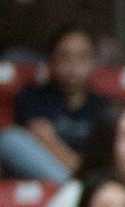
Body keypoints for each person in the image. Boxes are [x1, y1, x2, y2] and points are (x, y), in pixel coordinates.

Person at [1, 26, 105, 181]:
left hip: (92, 176)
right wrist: (82, 174)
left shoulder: (103, 105)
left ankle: (76, 190)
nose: (73, 66)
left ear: (93, 62)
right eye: (65, 57)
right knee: (10, 139)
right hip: (54, 176)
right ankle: (75, 191)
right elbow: (42, 141)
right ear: (51, 61)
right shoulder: (33, 96)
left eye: (81, 57)